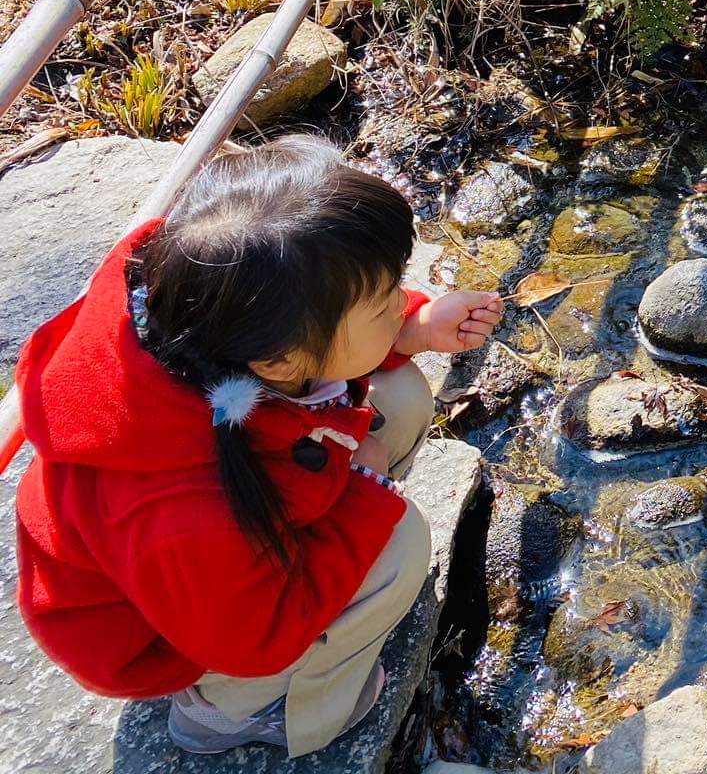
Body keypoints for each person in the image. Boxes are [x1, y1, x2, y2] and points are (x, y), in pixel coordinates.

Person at [12, 136, 504, 754]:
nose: (395, 304)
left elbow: (322, 310)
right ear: (279, 358)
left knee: (398, 394)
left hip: (223, 545)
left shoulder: (213, 299)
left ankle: (340, 573)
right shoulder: (176, 513)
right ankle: (240, 711)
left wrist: (413, 325)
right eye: (382, 303)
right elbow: (249, 636)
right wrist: (365, 494)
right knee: (400, 542)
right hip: (173, 628)